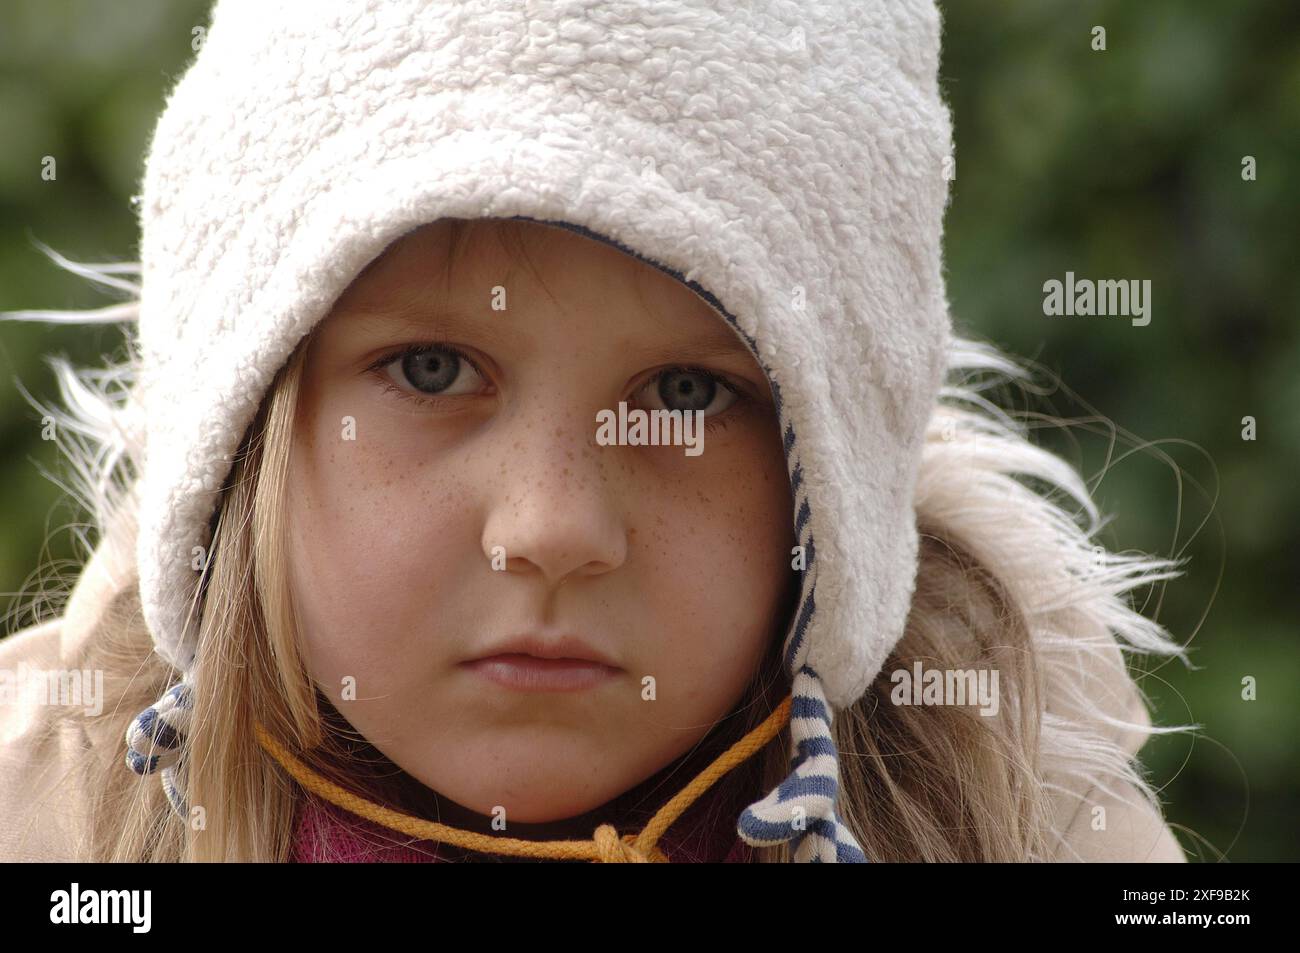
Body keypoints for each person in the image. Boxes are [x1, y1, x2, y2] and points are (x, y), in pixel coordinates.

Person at [0, 0, 1188, 862]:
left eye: (685, 395)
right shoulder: (58, 823)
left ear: (829, 485)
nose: (553, 526)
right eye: (430, 368)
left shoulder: (1016, 821)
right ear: (247, 426)